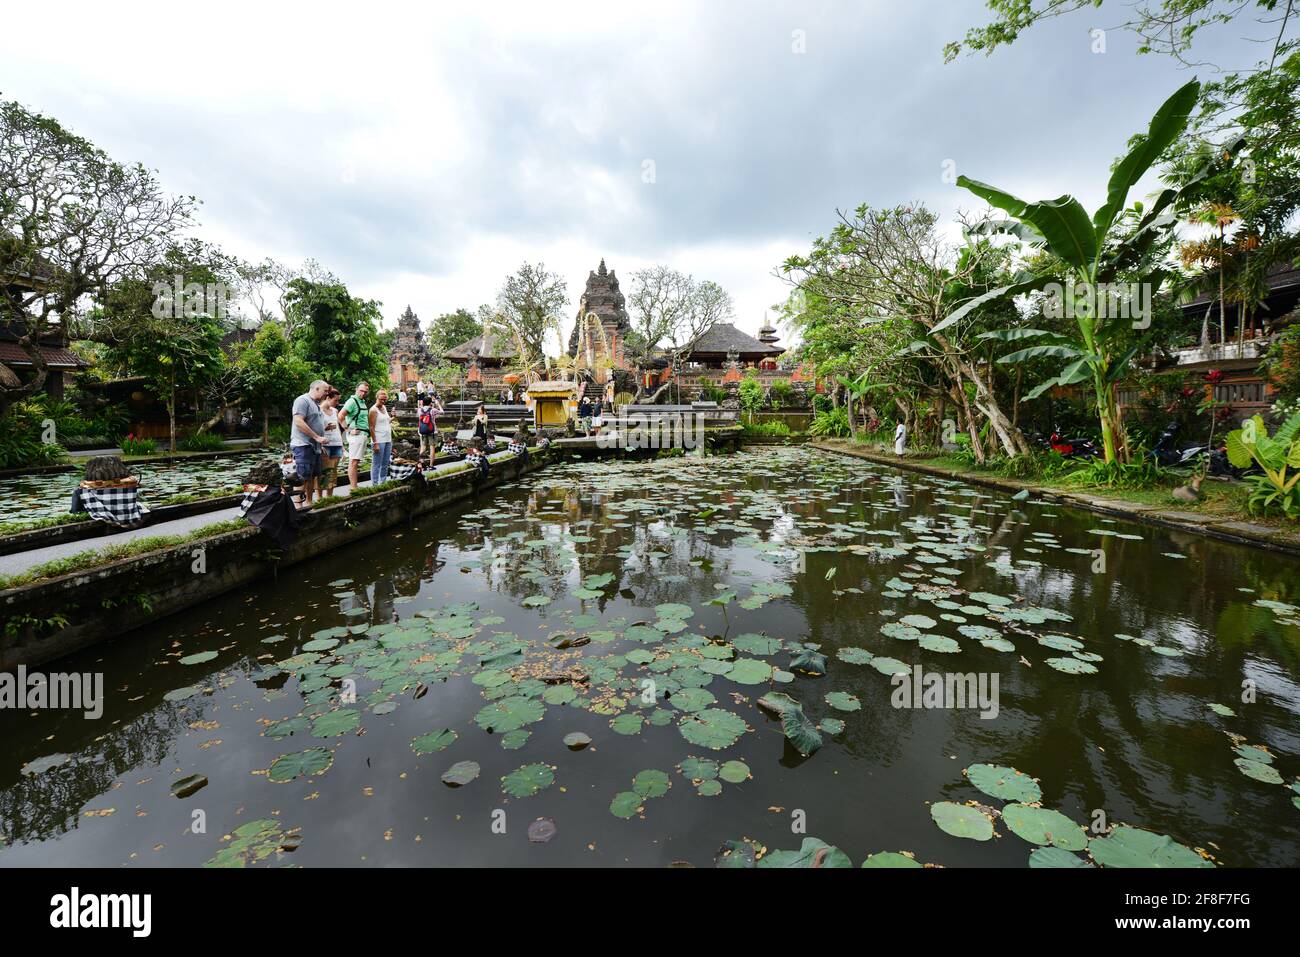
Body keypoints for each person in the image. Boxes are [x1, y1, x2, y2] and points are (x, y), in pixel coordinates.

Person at [290, 379, 330, 507]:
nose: (326, 394)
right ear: (316, 388)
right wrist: (317, 437)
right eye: (325, 391)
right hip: (303, 445)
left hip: (315, 447)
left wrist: (320, 441)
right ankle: (298, 507)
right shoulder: (302, 400)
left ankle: (309, 503)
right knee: (301, 476)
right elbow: (298, 421)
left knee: (312, 475)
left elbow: (314, 423)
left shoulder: (316, 404)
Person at [339, 381, 371, 491]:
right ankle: (353, 487)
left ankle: (354, 486)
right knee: (353, 461)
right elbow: (340, 415)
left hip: (362, 435)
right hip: (356, 435)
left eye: (365, 392)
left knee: (355, 461)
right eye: (361, 391)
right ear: (356, 389)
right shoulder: (352, 401)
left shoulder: (362, 401)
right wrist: (348, 430)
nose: (363, 393)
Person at [319, 388, 343, 499]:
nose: (337, 403)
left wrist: (342, 445)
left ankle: (329, 498)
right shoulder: (318, 411)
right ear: (328, 398)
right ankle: (319, 498)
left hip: (336, 444)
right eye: (336, 400)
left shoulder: (335, 411)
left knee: (333, 471)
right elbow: (316, 429)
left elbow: (338, 428)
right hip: (325, 445)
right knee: (322, 472)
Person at [369, 389, 393, 484]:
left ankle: (382, 482)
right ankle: (375, 484)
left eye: (385, 399)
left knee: (385, 463)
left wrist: (392, 417)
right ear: (377, 398)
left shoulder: (384, 408)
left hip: (387, 439)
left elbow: (386, 422)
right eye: (381, 399)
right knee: (376, 464)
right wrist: (375, 443)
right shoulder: (373, 410)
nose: (383, 401)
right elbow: (371, 427)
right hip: (379, 440)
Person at [417, 393, 442, 466]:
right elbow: (442, 412)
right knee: (432, 447)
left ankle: (418, 462)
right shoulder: (433, 410)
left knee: (423, 447)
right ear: (430, 403)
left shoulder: (419, 410)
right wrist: (438, 404)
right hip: (432, 431)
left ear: (423, 402)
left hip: (422, 431)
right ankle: (431, 465)